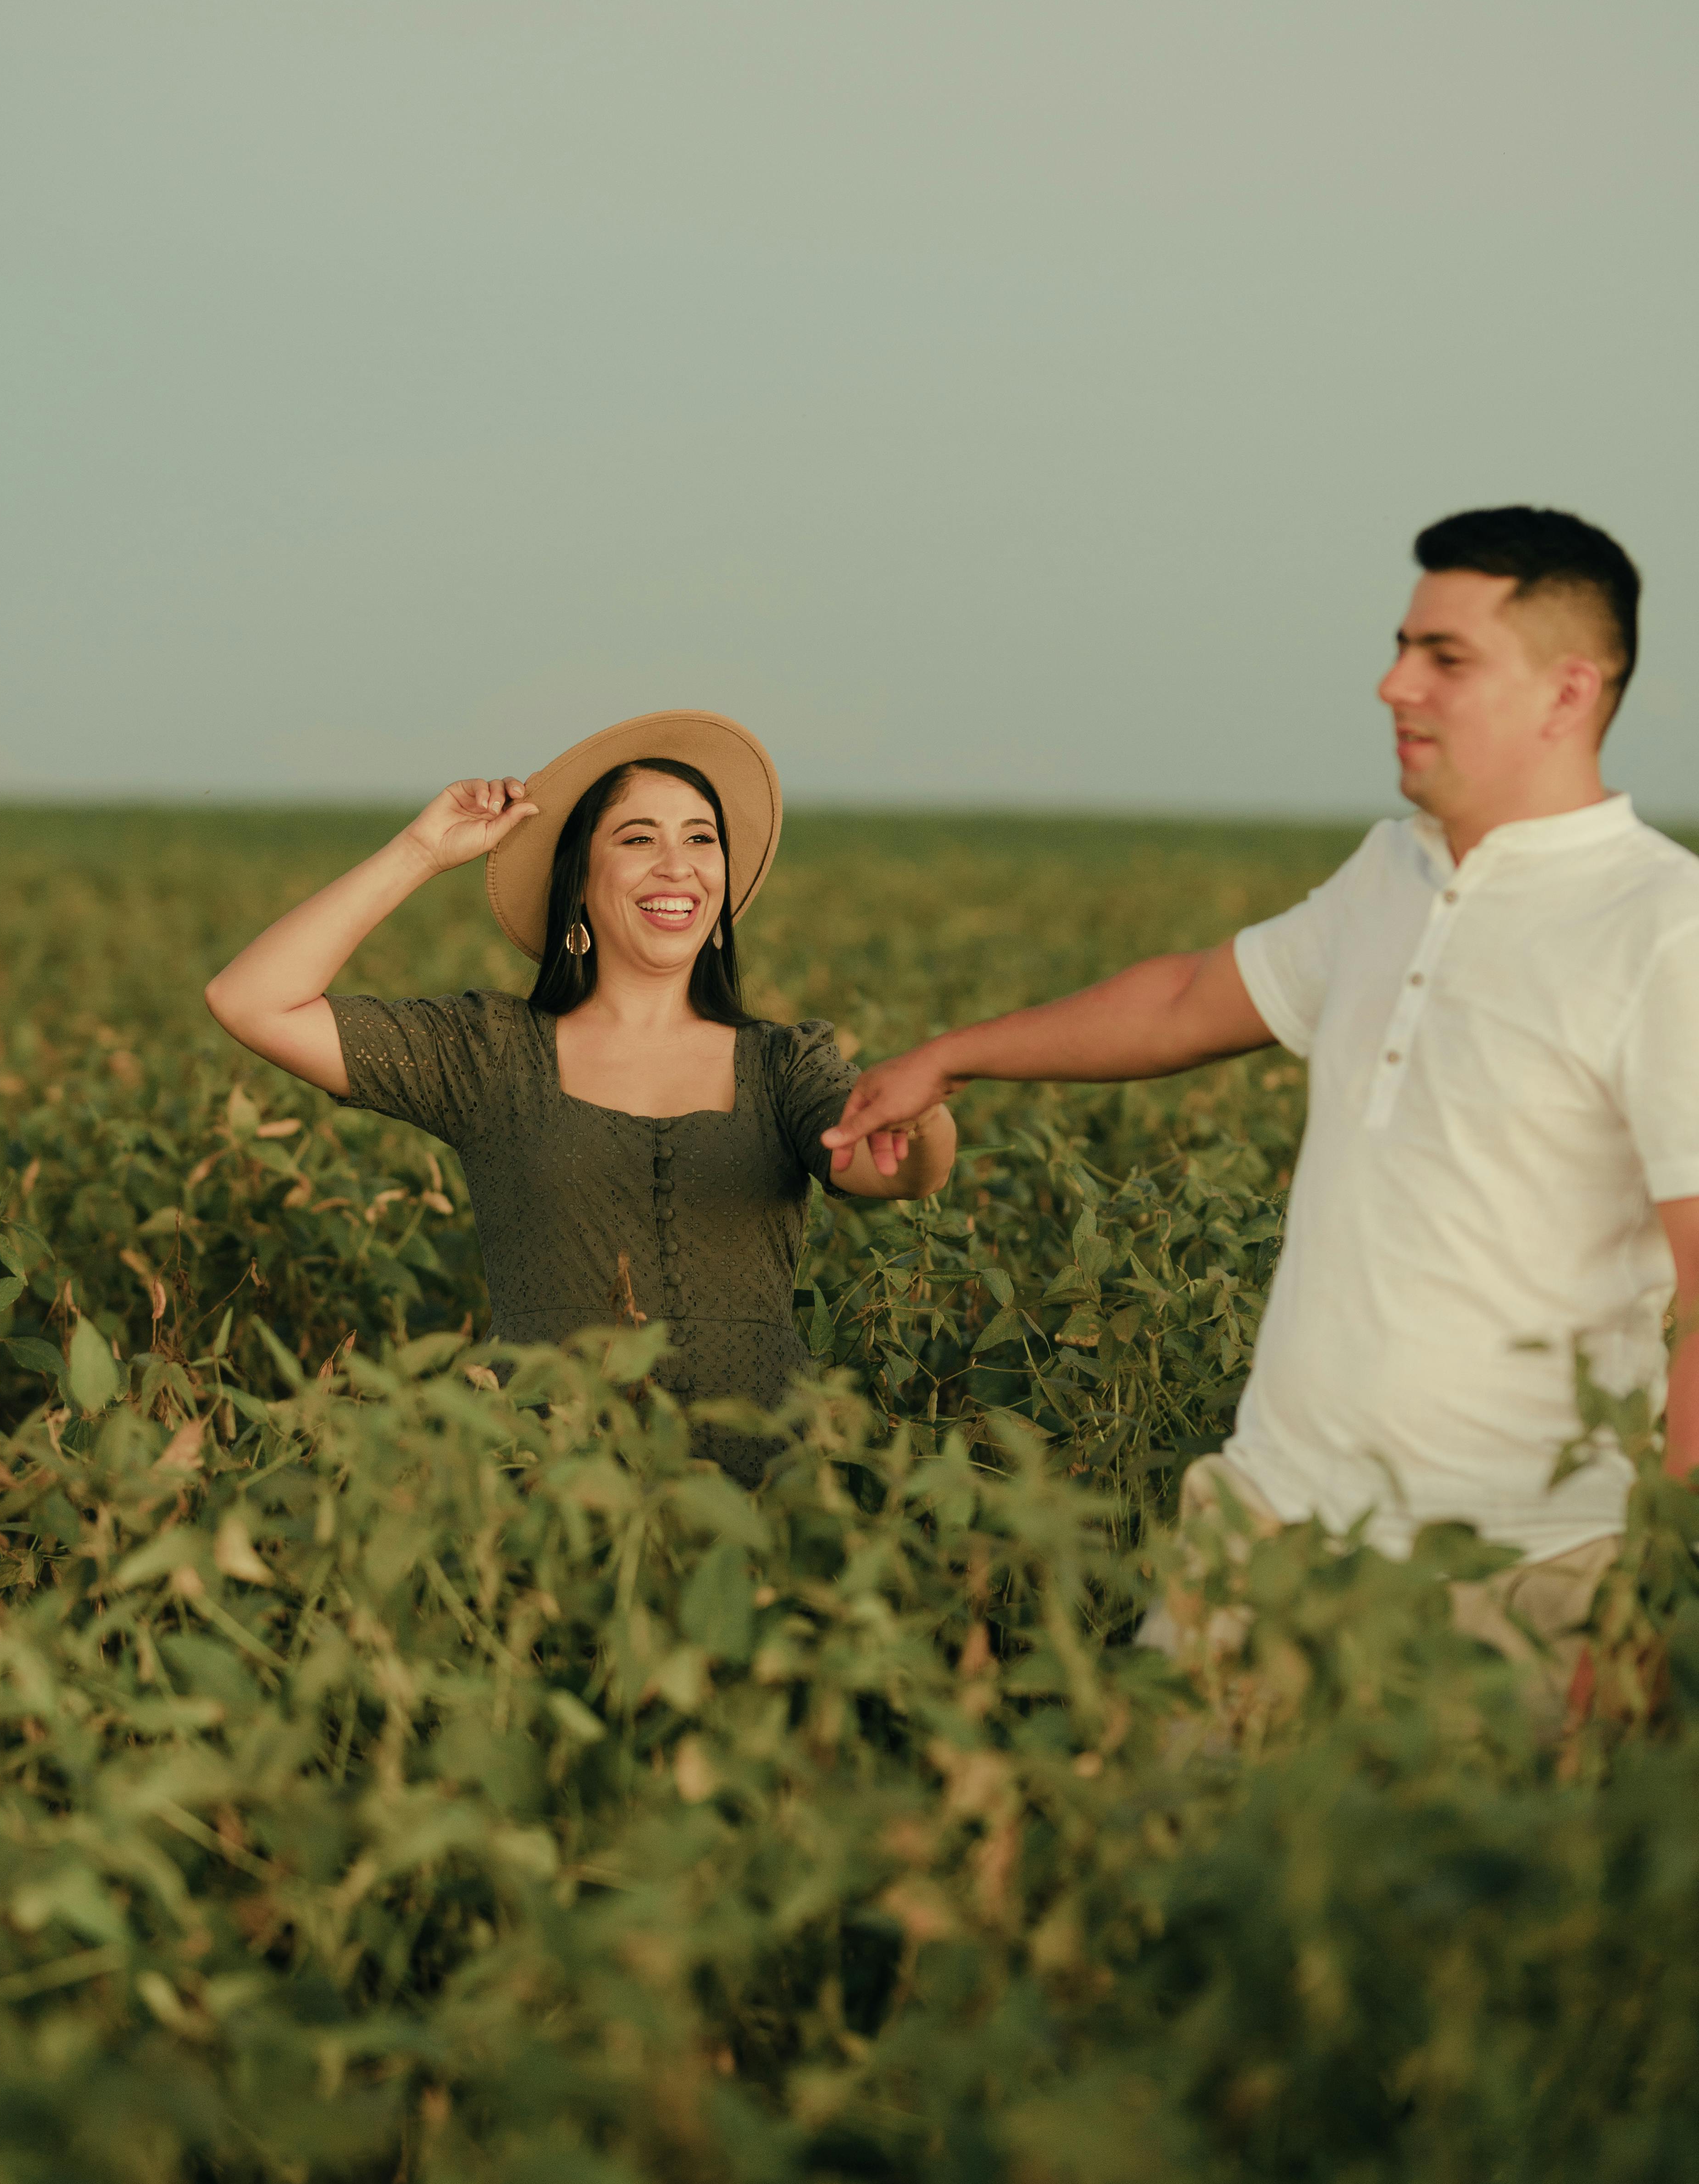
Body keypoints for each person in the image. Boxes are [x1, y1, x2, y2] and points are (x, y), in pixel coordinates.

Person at [823, 509, 1699, 1692]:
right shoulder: (1394, 873)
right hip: (1264, 1524)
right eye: (1403, 646)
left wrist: (1650, 1594)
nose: (1395, 685)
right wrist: (953, 1057)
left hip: (1515, 1577)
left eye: (1446, 658)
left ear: (1568, 692)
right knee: (1164, 1860)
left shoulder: (1663, 929)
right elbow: (1186, 999)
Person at [206, 709, 955, 1483]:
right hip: (546, 1497)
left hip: (765, 1501)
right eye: (639, 840)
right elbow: (252, 1001)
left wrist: (922, 1116)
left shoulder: (783, 1064)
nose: (678, 866)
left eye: (702, 839)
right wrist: (421, 852)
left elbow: (898, 1171)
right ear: (579, 881)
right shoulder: (488, 1054)